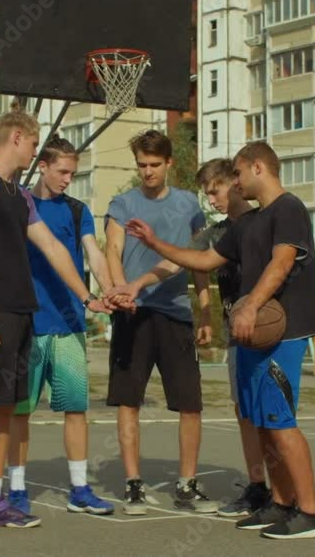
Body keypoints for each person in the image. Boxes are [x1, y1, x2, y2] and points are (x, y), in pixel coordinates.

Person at [125, 141, 315, 539]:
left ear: (257, 167)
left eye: (236, 173)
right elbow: (203, 260)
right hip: (249, 337)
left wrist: (251, 304)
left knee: (281, 423)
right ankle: (281, 503)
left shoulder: (289, 209)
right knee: (263, 424)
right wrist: (154, 244)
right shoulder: (247, 225)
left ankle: (309, 513)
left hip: (283, 332)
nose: (233, 182)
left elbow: (283, 261)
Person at [0, 111, 111, 540]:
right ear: (16, 138)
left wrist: (88, 297)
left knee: (4, 409)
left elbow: (54, 249)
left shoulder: (20, 196)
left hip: (22, 317)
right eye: (34, 144)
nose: (36, 152)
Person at [110, 158, 269, 517]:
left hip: (269, 330)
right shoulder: (218, 233)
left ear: (237, 183)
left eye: (216, 192)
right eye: (207, 194)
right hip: (237, 334)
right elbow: (179, 261)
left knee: (271, 414)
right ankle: (259, 488)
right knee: (244, 410)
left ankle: (287, 494)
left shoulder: (265, 221)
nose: (211, 201)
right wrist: (135, 283)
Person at [103, 130, 218, 516]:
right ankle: (133, 484)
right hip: (133, 314)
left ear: (169, 164)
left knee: (190, 404)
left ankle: (187, 484)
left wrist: (205, 310)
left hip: (176, 315)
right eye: (141, 165)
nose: (147, 172)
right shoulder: (122, 203)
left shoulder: (189, 204)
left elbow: (198, 260)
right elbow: (113, 249)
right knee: (128, 401)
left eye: (154, 165)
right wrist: (121, 290)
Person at [4, 135, 116, 516]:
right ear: (44, 166)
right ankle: (16, 489)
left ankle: (80, 489)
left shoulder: (77, 210)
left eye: (74, 173)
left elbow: (94, 254)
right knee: (20, 411)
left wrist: (111, 290)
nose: (69, 179)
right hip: (27, 324)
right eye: (63, 171)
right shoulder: (19, 203)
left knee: (75, 409)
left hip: (69, 323)